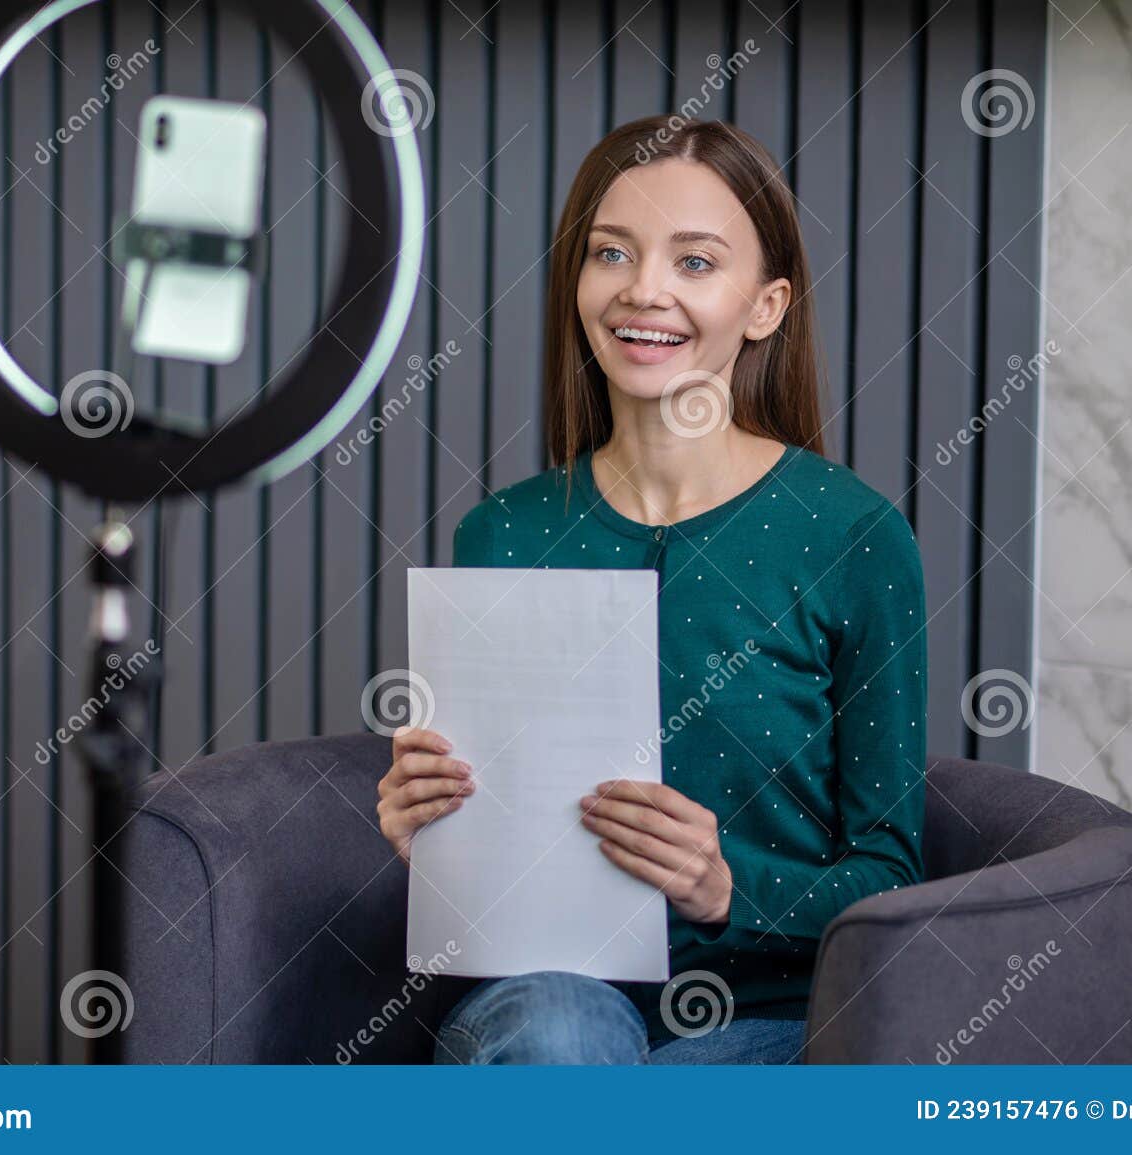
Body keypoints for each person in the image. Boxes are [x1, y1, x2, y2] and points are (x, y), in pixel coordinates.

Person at [376, 114, 928, 1064]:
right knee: (560, 1042)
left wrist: (726, 884)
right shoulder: (501, 535)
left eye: (696, 263)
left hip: (774, 1018)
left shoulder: (854, 537)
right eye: (612, 253)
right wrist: (425, 828)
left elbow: (891, 874)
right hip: (549, 997)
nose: (644, 289)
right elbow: (484, 855)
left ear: (766, 305)